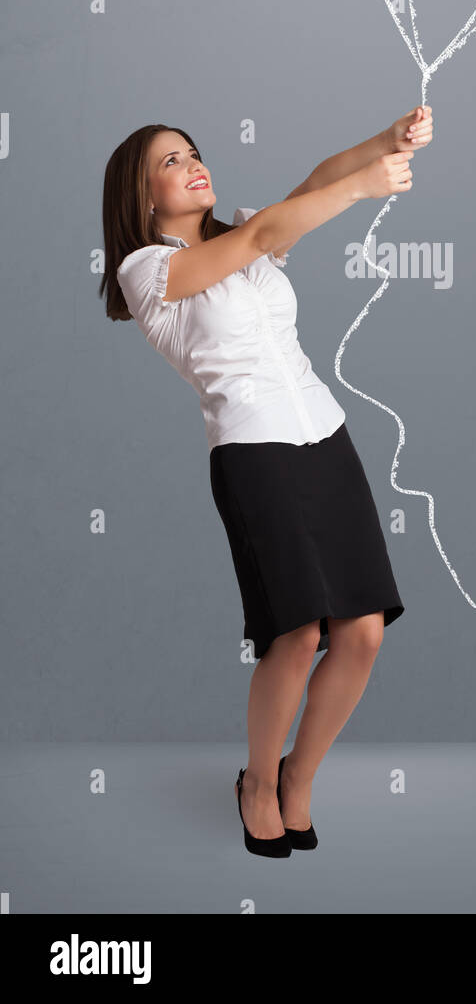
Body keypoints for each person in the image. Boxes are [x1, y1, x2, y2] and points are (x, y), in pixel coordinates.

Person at [101, 105, 433, 856]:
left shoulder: (244, 233)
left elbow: (310, 186)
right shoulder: (148, 270)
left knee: (364, 633)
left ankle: (298, 777)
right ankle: (257, 782)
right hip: (253, 452)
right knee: (297, 631)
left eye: (193, 151)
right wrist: (363, 190)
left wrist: (385, 142)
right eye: (170, 162)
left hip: (325, 435)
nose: (193, 164)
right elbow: (270, 232)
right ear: (142, 196)